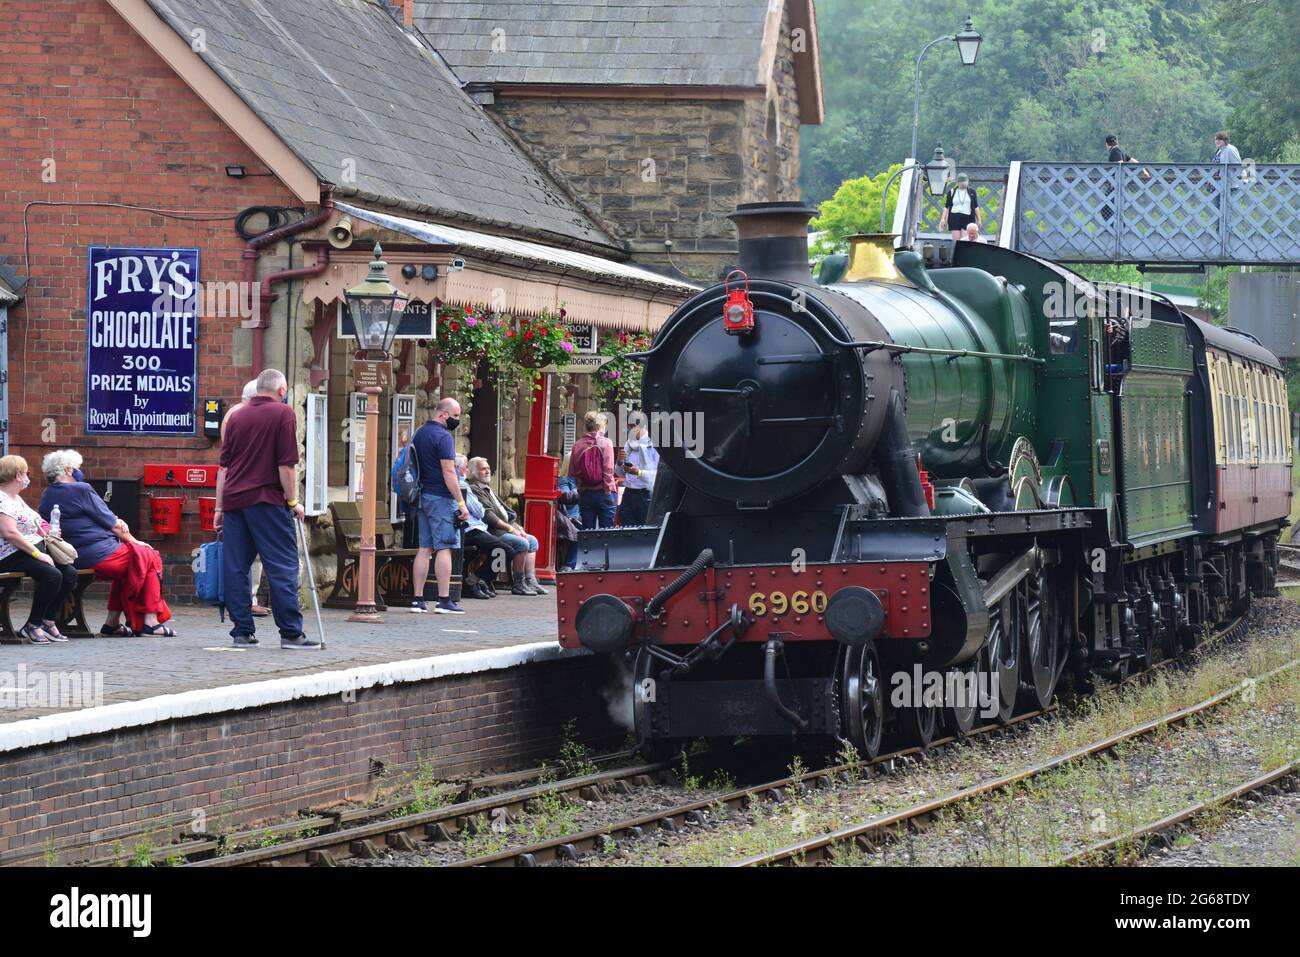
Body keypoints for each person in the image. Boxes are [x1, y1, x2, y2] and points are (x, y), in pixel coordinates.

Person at [215, 368, 319, 649]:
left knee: (237, 567)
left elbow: (223, 468)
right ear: (281, 391)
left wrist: (219, 507)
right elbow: (286, 464)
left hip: (235, 501)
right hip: (267, 501)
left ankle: (242, 632)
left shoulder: (236, 416)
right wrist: (293, 501)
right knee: (282, 565)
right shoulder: (283, 414)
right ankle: (290, 633)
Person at [38, 449, 174, 636]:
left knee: (133, 566)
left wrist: (117, 524)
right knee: (149, 556)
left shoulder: (47, 494)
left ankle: (112, 624)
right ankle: (150, 622)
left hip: (71, 554)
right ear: (68, 471)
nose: (80, 472)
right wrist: (137, 542)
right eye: (78, 468)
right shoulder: (81, 489)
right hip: (98, 553)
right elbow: (112, 523)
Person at [0, 455, 76, 644]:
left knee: (69, 573)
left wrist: (50, 530)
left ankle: (47, 620)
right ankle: (32, 625)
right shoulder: (2, 499)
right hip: (10, 553)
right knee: (52, 575)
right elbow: (10, 533)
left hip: (28, 549)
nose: (27, 477)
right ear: (18, 475)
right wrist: (38, 554)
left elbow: (35, 521)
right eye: (26, 473)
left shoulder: (16, 498)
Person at [410, 397, 468, 614]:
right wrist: (461, 502)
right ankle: (444, 599)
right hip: (441, 497)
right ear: (443, 414)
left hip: (422, 496)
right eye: (455, 416)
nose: (457, 421)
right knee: (445, 546)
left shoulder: (420, 432)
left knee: (424, 548)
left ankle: (417, 599)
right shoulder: (443, 437)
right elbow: (449, 472)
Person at [223, 379, 269, 616]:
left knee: (240, 556)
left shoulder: (235, 414)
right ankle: (248, 600)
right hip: (252, 494)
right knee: (250, 555)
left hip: (233, 492)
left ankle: (245, 601)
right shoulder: (241, 415)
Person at [467, 457, 545, 595]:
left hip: (503, 529)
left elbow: (506, 514)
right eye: (483, 469)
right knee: (521, 543)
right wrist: (511, 529)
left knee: (532, 540)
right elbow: (489, 516)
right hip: (493, 531)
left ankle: (530, 580)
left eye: (488, 468)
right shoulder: (474, 488)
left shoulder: (488, 488)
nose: (487, 471)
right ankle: (518, 583)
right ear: (473, 472)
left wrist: (518, 528)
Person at [454, 454, 513, 599]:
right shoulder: (462, 485)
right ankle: (473, 580)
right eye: (465, 467)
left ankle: (478, 580)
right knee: (505, 552)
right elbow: (479, 511)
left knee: (501, 551)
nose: (466, 469)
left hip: (477, 529)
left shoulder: (465, 484)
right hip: (470, 530)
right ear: (459, 468)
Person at [569, 410, 616, 530]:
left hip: (586, 493)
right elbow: (608, 470)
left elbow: (573, 472)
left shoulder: (577, 445)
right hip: (604, 493)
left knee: (587, 535)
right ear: (600, 425)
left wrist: (580, 489)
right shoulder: (606, 443)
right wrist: (607, 490)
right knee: (607, 534)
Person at [618, 420, 658, 526]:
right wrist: (619, 462)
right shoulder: (628, 443)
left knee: (644, 530)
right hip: (628, 493)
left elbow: (658, 476)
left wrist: (639, 473)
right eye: (629, 426)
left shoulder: (654, 444)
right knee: (625, 529)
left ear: (643, 426)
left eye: (633, 426)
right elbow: (620, 474)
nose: (630, 430)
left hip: (645, 494)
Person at [555, 455, 581, 571]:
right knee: (582, 534)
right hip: (569, 517)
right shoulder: (564, 480)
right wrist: (582, 490)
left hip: (579, 516)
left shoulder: (579, 479)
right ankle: (569, 565)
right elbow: (566, 499)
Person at [939, 173, 981, 241]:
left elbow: (976, 206)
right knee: (956, 241)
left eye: (965, 182)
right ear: (957, 183)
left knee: (965, 240)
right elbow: (946, 206)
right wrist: (943, 219)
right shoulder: (952, 192)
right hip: (955, 217)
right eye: (961, 183)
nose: (963, 184)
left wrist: (979, 219)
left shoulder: (972, 192)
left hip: (967, 217)